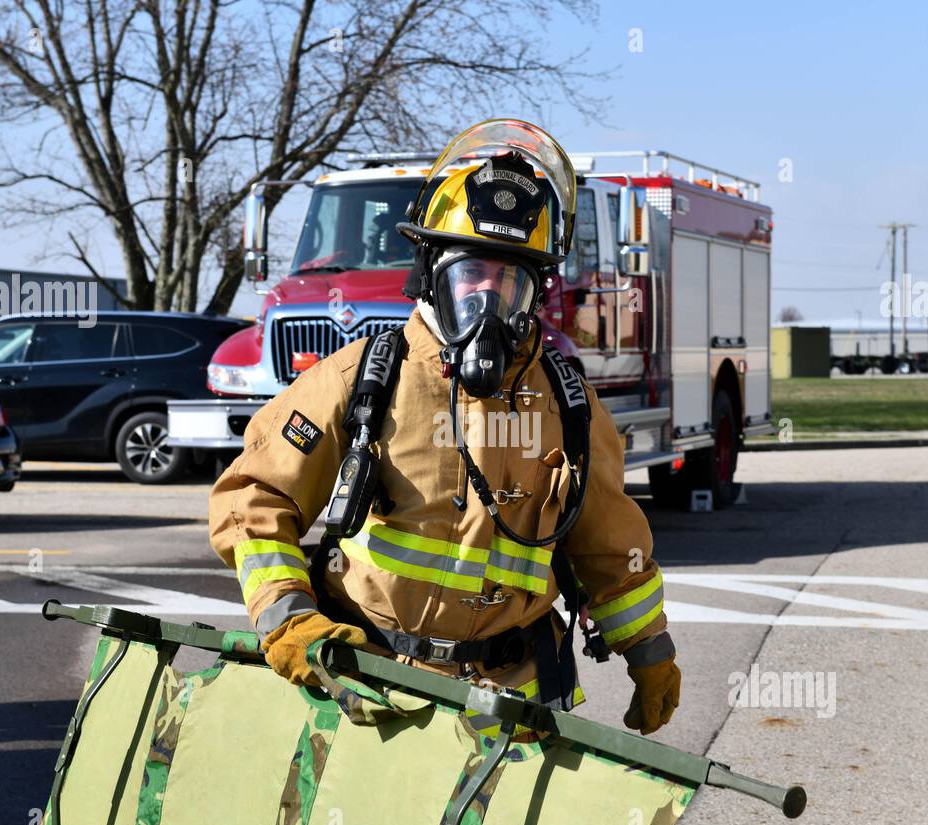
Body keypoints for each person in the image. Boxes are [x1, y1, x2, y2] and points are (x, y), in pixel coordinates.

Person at [209, 119, 680, 737]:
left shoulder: (571, 407)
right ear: (432, 272)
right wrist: (289, 619)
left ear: (535, 292)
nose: (487, 299)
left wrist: (648, 652)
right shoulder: (358, 381)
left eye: (508, 281)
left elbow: (611, 548)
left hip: (513, 708)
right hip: (370, 690)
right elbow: (255, 501)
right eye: (471, 275)